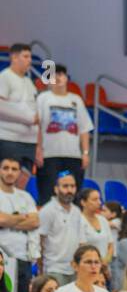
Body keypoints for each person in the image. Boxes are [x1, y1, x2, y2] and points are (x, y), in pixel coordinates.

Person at [34, 65, 92, 205]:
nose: (59, 78)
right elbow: (37, 126)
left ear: (67, 78)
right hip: (49, 155)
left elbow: (84, 129)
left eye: (61, 75)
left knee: (74, 196)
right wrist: (38, 149)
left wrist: (85, 152)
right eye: (55, 76)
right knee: (47, 194)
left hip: (73, 155)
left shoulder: (76, 100)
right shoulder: (43, 98)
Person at [0, 154, 39, 292]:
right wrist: (23, 217)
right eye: (6, 168)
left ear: (18, 173)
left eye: (14, 169)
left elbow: (35, 222)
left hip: (23, 257)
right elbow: (1, 220)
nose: (10, 172)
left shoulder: (25, 197)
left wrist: (8, 219)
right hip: (1, 257)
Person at [0, 44, 39, 184]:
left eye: (30, 57)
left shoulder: (29, 82)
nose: (29, 60)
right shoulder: (5, 77)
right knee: (6, 182)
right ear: (14, 57)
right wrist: (29, 118)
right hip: (9, 140)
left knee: (22, 182)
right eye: (26, 56)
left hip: (29, 142)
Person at [37, 171, 81, 286]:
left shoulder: (77, 211)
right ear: (56, 189)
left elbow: (80, 242)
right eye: (65, 186)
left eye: (72, 186)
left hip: (74, 269)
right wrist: (40, 269)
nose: (69, 190)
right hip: (54, 269)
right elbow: (39, 242)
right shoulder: (47, 211)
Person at [75, 187, 114, 273]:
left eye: (99, 199)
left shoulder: (103, 220)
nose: (99, 202)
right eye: (95, 199)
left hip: (105, 267)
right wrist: (98, 262)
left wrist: (105, 261)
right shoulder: (79, 220)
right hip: (88, 267)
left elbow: (111, 245)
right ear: (83, 202)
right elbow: (83, 247)